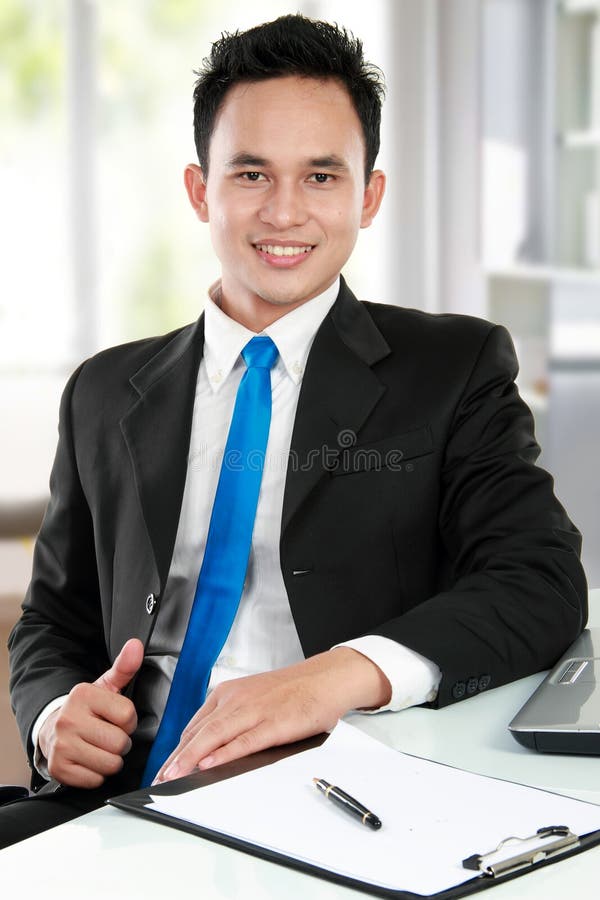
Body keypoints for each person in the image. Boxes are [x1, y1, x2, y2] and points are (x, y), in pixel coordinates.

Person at [3, 14, 587, 848]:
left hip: (342, 799)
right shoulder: (102, 391)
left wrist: (334, 678)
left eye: (320, 176)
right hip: (113, 802)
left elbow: (538, 581)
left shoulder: (453, 367)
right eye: (251, 174)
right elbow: (52, 621)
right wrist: (56, 714)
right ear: (200, 190)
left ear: (367, 196)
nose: (284, 212)